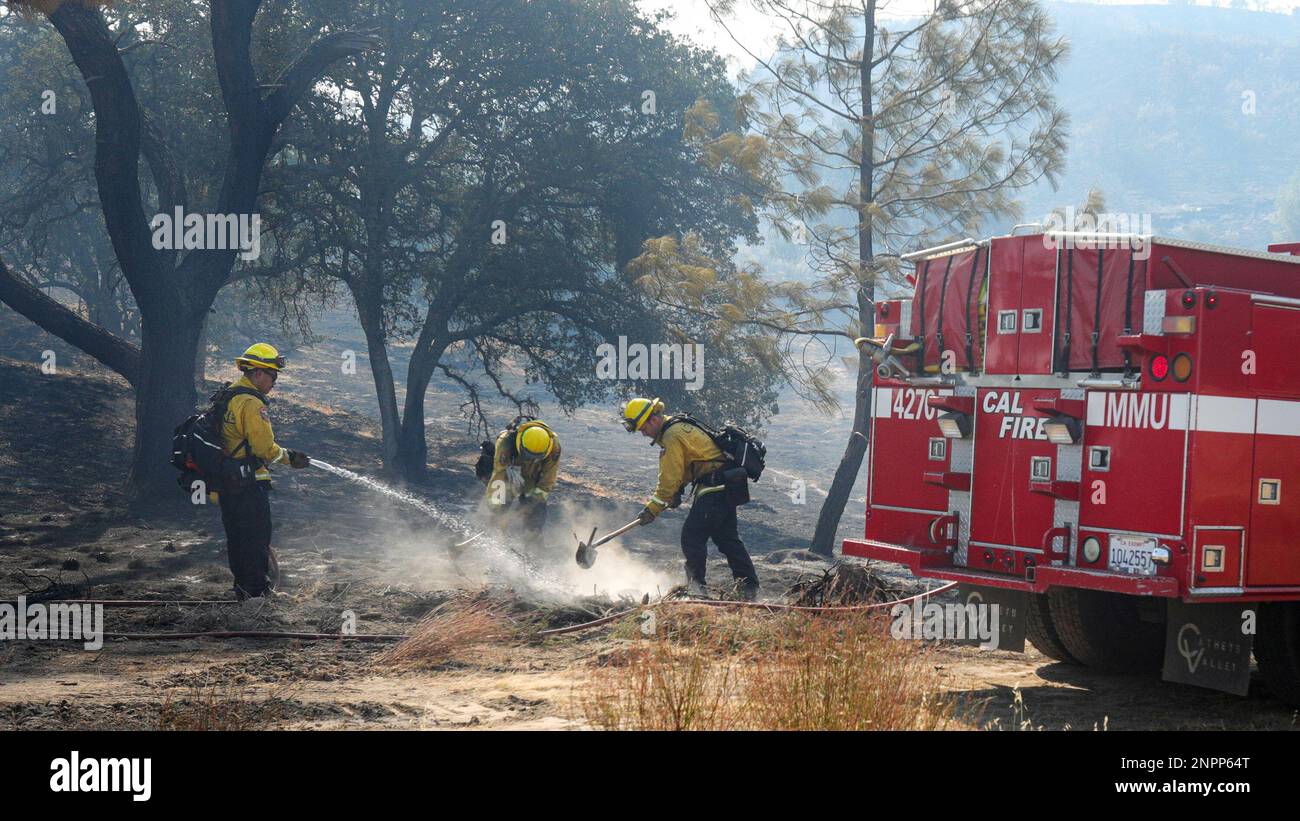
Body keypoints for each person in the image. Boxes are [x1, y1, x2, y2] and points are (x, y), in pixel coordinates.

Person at [620, 397, 759, 600]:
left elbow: (669, 478)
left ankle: (696, 591)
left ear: (652, 419)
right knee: (727, 539)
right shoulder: (678, 426)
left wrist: (652, 509)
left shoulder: (671, 436)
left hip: (714, 487)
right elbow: (690, 464)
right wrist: (677, 491)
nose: (643, 433)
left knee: (692, 536)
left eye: (643, 428)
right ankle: (748, 589)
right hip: (726, 484)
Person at [217, 343, 310, 599]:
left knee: (237, 537)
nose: (274, 382)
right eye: (272, 375)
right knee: (256, 538)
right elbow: (263, 447)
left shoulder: (228, 395)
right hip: (248, 483)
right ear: (258, 373)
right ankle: (257, 593)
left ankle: (244, 589)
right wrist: (291, 458)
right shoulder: (250, 403)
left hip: (227, 481)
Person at [483, 418, 560, 542]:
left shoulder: (554, 447)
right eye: (528, 455)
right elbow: (499, 475)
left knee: (535, 509)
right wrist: (496, 508)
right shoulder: (505, 442)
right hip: (509, 465)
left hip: (533, 469)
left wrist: (532, 501)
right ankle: (496, 535)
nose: (530, 459)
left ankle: (533, 541)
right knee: (501, 501)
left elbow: (547, 480)